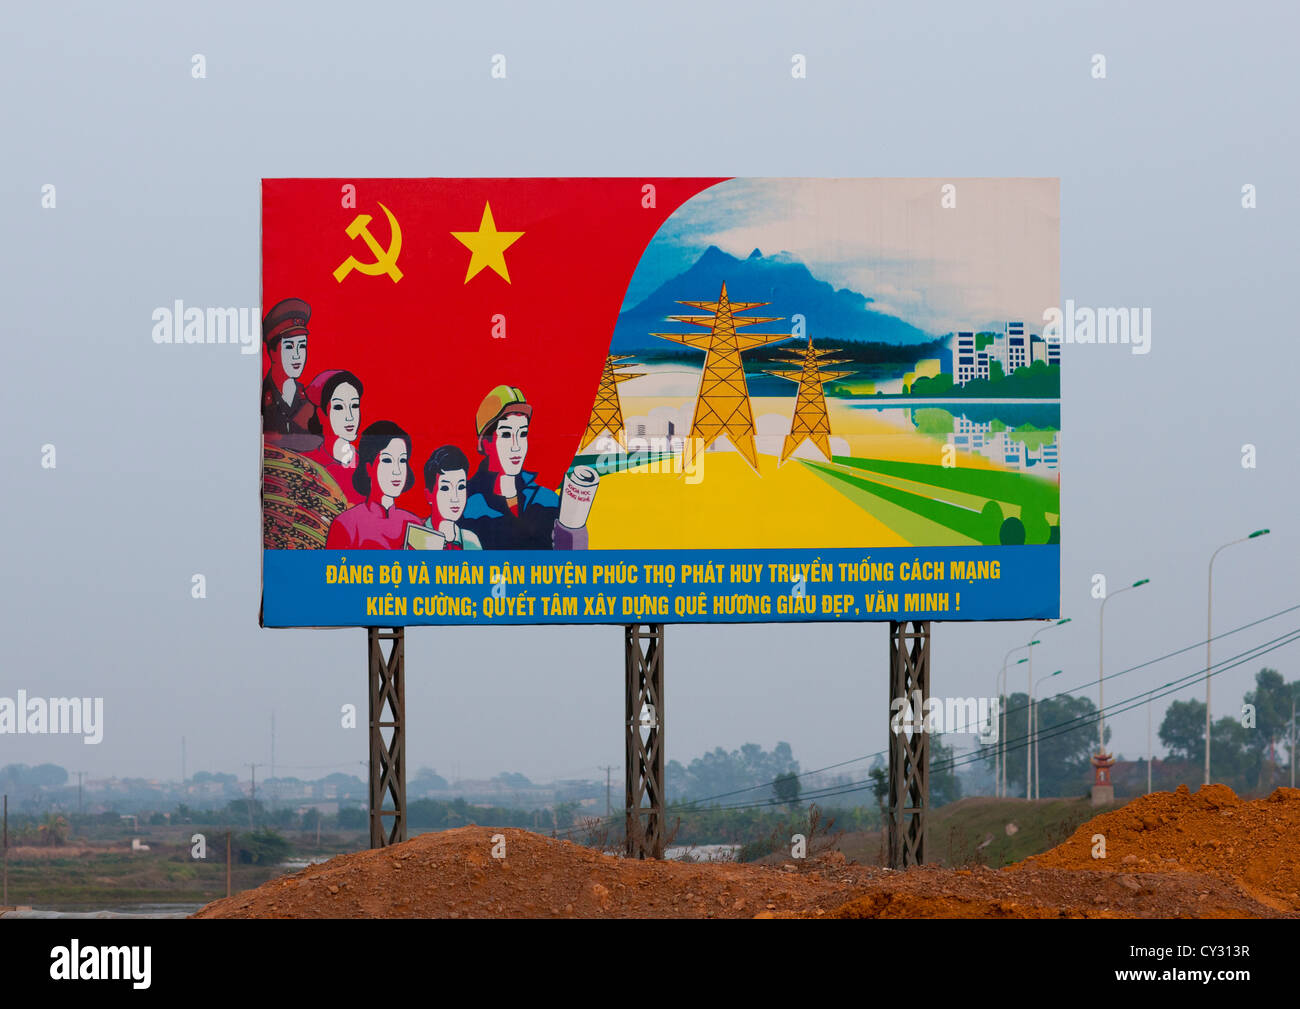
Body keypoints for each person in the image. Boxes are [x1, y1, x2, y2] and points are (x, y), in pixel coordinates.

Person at [461, 385, 586, 550]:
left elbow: (574, 561)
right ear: (486, 442)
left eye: (522, 434)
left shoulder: (546, 499)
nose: (516, 447)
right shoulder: (464, 502)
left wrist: (574, 529)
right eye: (506, 435)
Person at [325, 421, 420, 549]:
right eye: (387, 460)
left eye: (402, 460)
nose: (397, 471)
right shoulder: (345, 525)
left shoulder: (414, 524)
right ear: (369, 467)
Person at [302, 369, 364, 504]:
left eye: (354, 406)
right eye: (339, 407)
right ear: (321, 413)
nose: (350, 417)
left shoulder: (368, 465)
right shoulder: (307, 465)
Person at [408, 445, 482, 550]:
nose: (455, 498)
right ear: (429, 495)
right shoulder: (416, 538)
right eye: (445, 488)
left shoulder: (471, 541)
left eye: (461, 487)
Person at [261, 298, 315, 440]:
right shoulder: (261, 396)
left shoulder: (309, 399)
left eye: (302, 346)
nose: (297, 355)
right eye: (289, 346)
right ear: (272, 351)